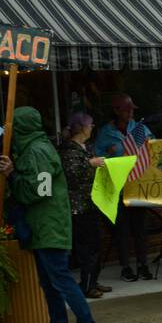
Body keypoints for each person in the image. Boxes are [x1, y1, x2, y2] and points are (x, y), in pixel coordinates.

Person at [0, 107, 109, 323]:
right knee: (49, 282)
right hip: (42, 226)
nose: (8, 130)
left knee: (62, 280)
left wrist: (13, 175)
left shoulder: (38, 150)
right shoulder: (31, 149)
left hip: (50, 226)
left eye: (12, 125)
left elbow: (42, 189)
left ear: (22, 127)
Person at [93, 94, 155, 283]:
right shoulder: (105, 132)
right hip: (118, 186)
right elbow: (97, 157)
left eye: (132, 110)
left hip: (137, 185)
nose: (130, 113)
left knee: (140, 228)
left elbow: (153, 146)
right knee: (121, 229)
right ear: (116, 111)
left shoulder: (139, 128)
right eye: (127, 110)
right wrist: (108, 152)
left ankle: (143, 264)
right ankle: (126, 267)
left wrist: (147, 144)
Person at [58, 111, 108, 300]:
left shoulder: (84, 147)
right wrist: (91, 164)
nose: (92, 128)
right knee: (87, 247)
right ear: (82, 128)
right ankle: (87, 284)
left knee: (96, 244)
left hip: (91, 202)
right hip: (79, 206)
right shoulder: (68, 150)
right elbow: (72, 174)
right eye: (90, 125)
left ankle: (93, 280)